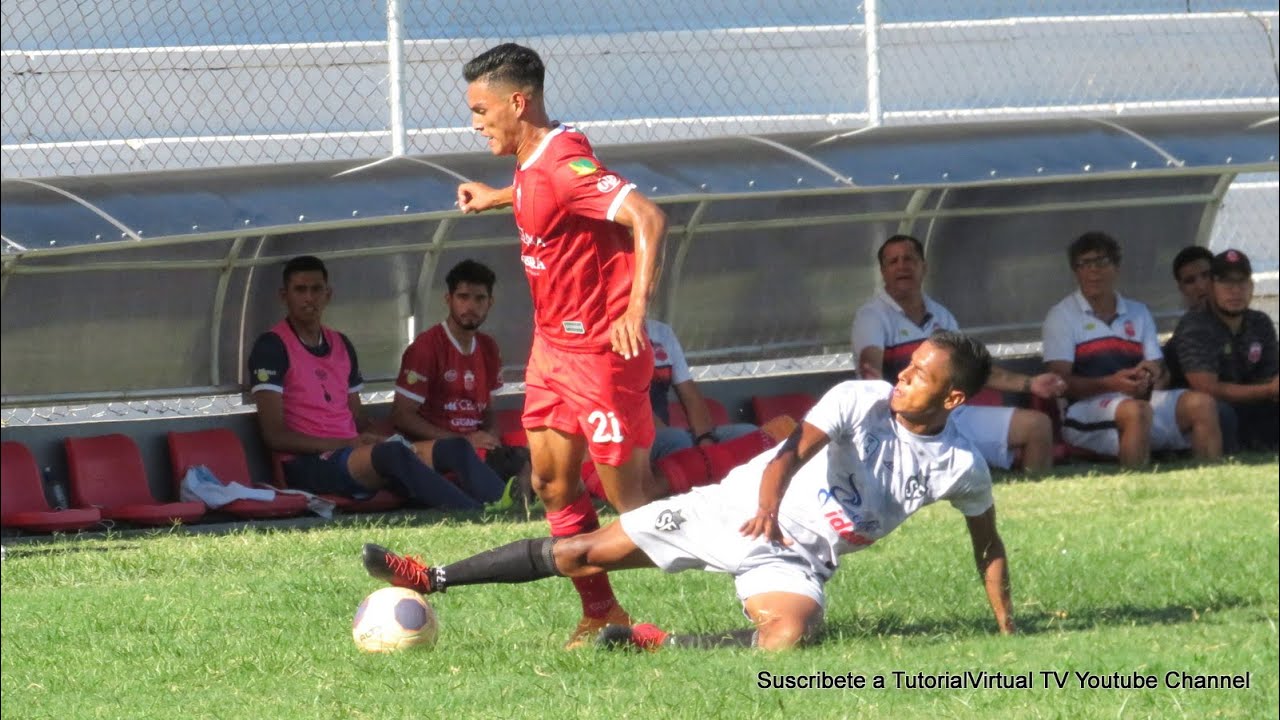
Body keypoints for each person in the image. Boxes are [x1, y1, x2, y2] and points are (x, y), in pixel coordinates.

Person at [362, 331, 1015, 651]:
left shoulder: (960, 466)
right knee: (583, 552)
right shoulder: (858, 398)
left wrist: (1008, 628)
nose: (903, 377)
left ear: (952, 398)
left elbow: (988, 547)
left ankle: (659, 644)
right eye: (908, 366)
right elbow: (786, 457)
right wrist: (764, 508)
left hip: (794, 557)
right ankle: (431, 577)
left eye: (922, 377)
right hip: (736, 507)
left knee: (789, 633)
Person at [452, 43, 669, 647]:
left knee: (637, 508)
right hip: (552, 351)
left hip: (601, 355)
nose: (473, 123)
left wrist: (634, 309)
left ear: (517, 103)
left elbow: (648, 219)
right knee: (550, 483)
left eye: (479, 110)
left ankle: (751, 549)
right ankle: (603, 612)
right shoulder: (531, 160)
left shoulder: (563, 161)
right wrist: (493, 196)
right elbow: (542, 200)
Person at [249, 256, 506, 510]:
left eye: (316, 289)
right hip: (308, 463)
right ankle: (471, 514)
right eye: (300, 290)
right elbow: (275, 436)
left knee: (455, 447)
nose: (309, 298)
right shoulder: (272, 347)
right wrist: (349, 443)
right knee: (391, 455)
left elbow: (357, 417)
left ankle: (508, 510)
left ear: (328, 294)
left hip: (352, 454)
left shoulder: (341, 344)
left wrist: (380, 437)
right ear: (284, 296)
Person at [852, 234, 1065, 473]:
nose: (902, 266)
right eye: (893, 262)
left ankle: (1034, 500)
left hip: (953, 415)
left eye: (909, 259)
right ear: (883, 272)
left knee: (1038, 426)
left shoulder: (941, 314)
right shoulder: (872, 316)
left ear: (924, 267)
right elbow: (870, 375)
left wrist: (1031, 383)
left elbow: (971, 369)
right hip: (907, 421)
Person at [1041, 232, 1222, 467]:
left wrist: (1151, 376)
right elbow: (1059, 383)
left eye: (1101, 262)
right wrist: (1111, 384)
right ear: (1076, 271)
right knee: (1136, 411)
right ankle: (1138, 491)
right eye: (1084, 264)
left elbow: (1159, 369)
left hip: (1137, 400)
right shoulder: (1061, 316)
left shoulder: (1138, 312)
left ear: (1116, 267)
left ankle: (1212, 483)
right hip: (1083, 410)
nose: (1093, 271)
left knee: (1202, 404)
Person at [391, 259, 532, 505]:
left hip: (477, 445)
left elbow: (486, 409)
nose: (471, 306)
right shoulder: (426, 347)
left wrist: (491, 436)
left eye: (479, 299)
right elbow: (402, 415)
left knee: (535, 449)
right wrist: (462, 440)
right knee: (469, 454)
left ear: (491, 302)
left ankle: (533, 504)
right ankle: (506, 502)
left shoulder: (488, 347)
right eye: (463, 297)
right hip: (440, 448)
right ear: (448, 299)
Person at [1167, 249, 1278, 451]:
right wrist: (1268, 390)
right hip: (1203, 410)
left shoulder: (1260, 322)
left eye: (1241, 282)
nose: (1235, 291)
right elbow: (1207, 387)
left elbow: (1268, 376)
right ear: (1210, 288)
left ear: (1252, 287)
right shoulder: (1195, 325)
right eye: (1226, 283)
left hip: (1248, 403)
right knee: (1220, 412)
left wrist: (1271, 388)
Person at [647, 318, 758, 460]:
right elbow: (630, 405)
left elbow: (689, 395)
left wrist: (705, 439)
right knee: (676, 440)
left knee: (750, 434)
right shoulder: (612, 334)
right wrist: (671, 436)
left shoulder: (662, 332)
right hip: (633, 441)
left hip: (668, 436)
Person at [1171, 245, 1214, 312]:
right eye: (1190, 281)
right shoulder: (1188, 322)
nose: (1201, 286)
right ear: (1182, 288)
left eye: (1206, 275)